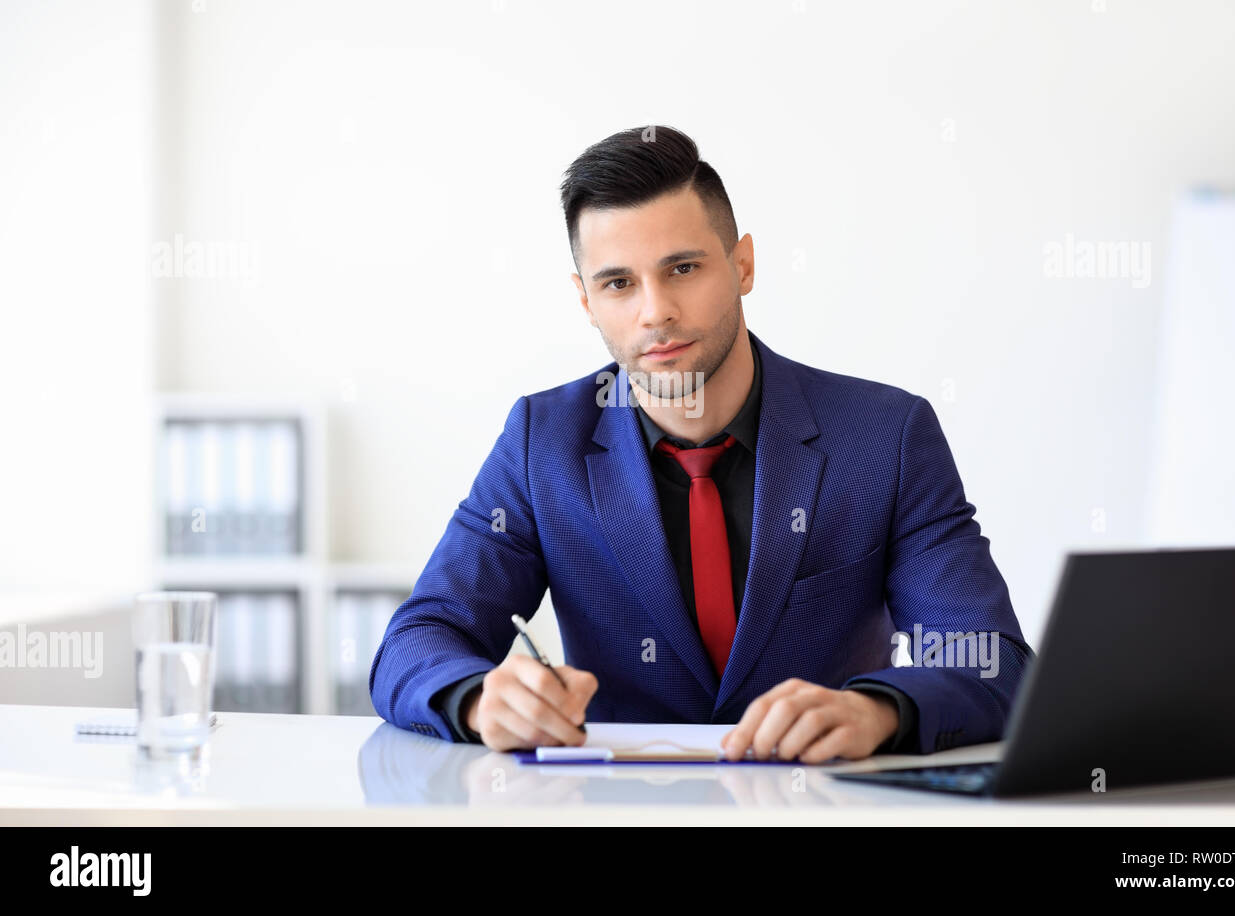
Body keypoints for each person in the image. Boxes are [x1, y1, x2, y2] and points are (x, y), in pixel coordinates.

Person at [370, 125, 1034, 762]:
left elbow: (992, 662)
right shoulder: (540, 442)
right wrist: (479, 700)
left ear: (742, 264)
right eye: (619, 283)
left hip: (821, 812)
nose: (655, 310)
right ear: (585, 300)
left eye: (682, 268)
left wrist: (880, 711)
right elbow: (417, 641)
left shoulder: (885, 436)